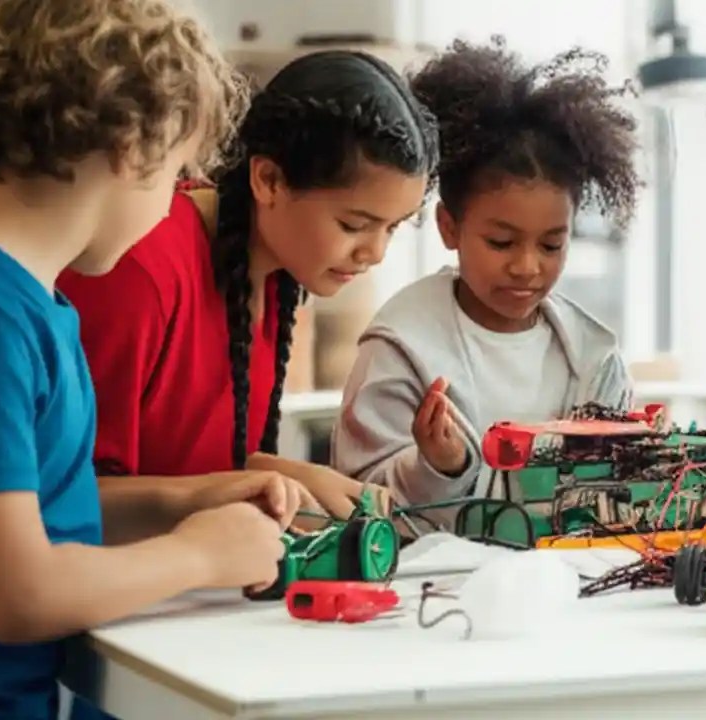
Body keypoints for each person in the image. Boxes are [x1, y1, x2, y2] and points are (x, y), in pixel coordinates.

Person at [0, 2, 297, 718]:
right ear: (132, 145)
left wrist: (187, 501)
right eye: (178, 177)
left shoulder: (40, 308)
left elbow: (55, 526)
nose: (170, 208)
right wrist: (198, 557)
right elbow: (15, 594)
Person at [57, 48, 441, 533]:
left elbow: (194, 469)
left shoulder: (279, 270)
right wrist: (237, 487)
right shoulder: (139, 270)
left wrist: (273, 475)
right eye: (354, 224)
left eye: (394, 228)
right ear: (269, 180)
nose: (375, 252)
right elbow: (55, 502)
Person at [330, 38, 640, 529]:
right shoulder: (401, 345)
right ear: (449, 227)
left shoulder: (593, 357)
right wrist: (436, 466)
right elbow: (352, 504)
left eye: (551, 246)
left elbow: (615, 504)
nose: (527, 267)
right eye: (500, 242)